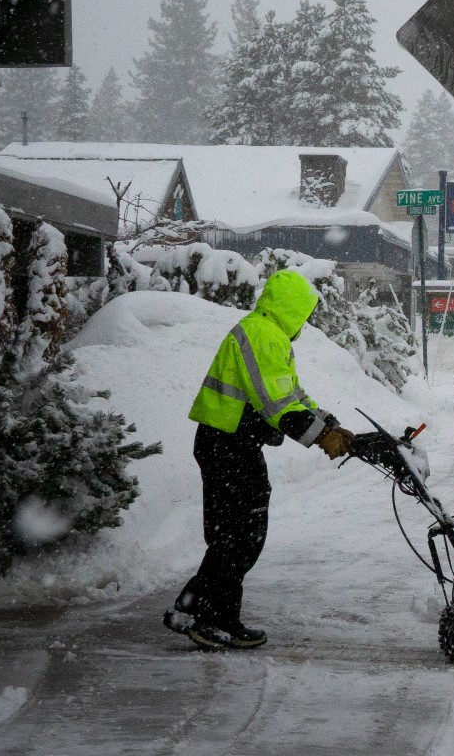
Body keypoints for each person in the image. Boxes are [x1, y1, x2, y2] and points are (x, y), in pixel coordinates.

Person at [163, 270, 355, 649]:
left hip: (233, 444)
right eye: (305, 313)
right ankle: (209, 619)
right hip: (226, 444)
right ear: (292, 309)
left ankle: (196, 609)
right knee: (237, 536)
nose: (306, 322)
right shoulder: (261, 335)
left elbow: (292, 392)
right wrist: (321, 437)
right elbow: (278, 405)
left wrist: (327, 422)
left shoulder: (269, 335)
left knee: (238, 535)